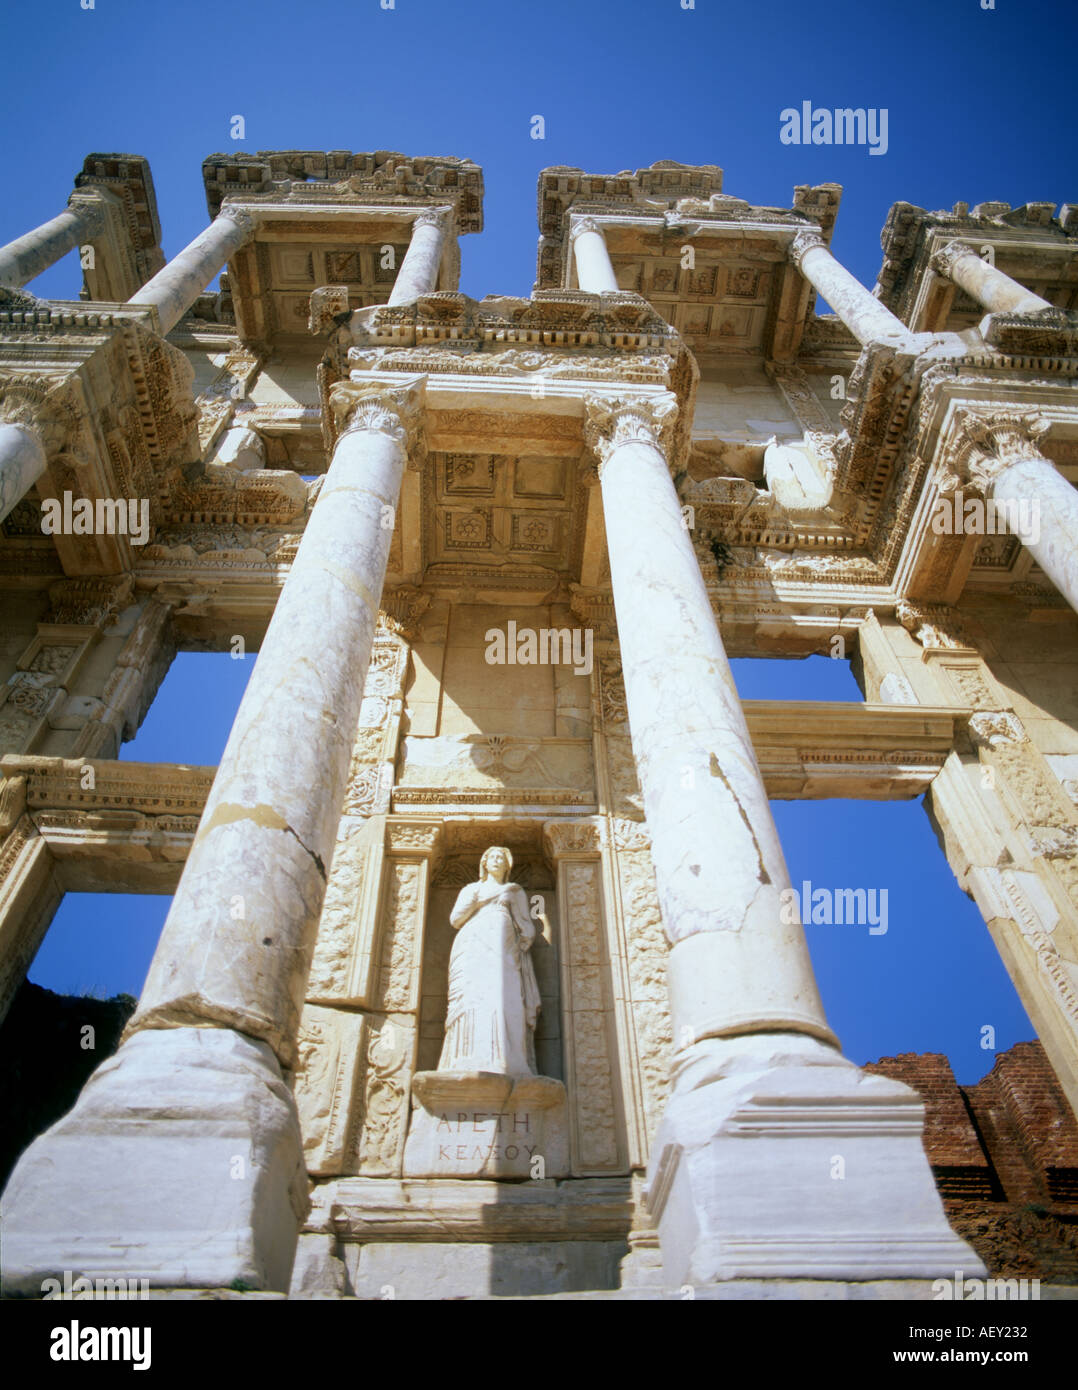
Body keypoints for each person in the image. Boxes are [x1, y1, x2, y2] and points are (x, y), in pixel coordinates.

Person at [438, 846, 540, 1078]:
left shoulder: (514, 891)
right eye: (491, 857)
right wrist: (475, 900)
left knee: (505, 996)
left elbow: (526, 924)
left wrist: (522, 942)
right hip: (471, 946)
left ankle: (509, 1059)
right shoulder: (471, 889)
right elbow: (455, 920)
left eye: (500, 858)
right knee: (471, 996)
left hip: (503, 950)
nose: (495, 861)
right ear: (484, 863)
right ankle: (464, 1057)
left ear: (507, 865)